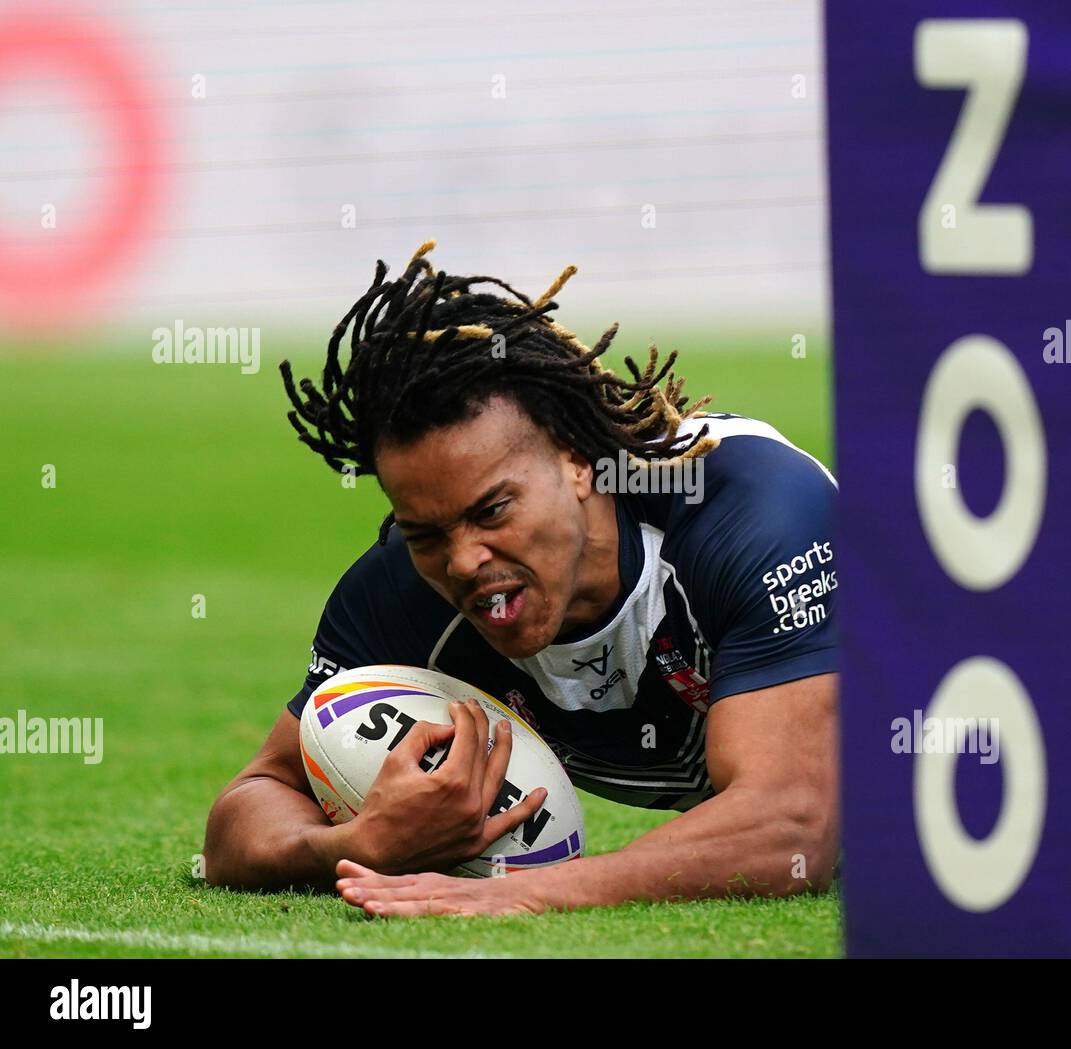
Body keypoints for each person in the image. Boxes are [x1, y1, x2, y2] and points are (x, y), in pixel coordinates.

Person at [202, 240, 840, 916]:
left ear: (578, 458)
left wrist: (529, 891)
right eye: (424, 531)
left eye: (493, 510)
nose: (464, 561)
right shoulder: (403, 592)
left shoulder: (752, 514)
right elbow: (244, 813)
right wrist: (354, 842)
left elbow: (792, 825)